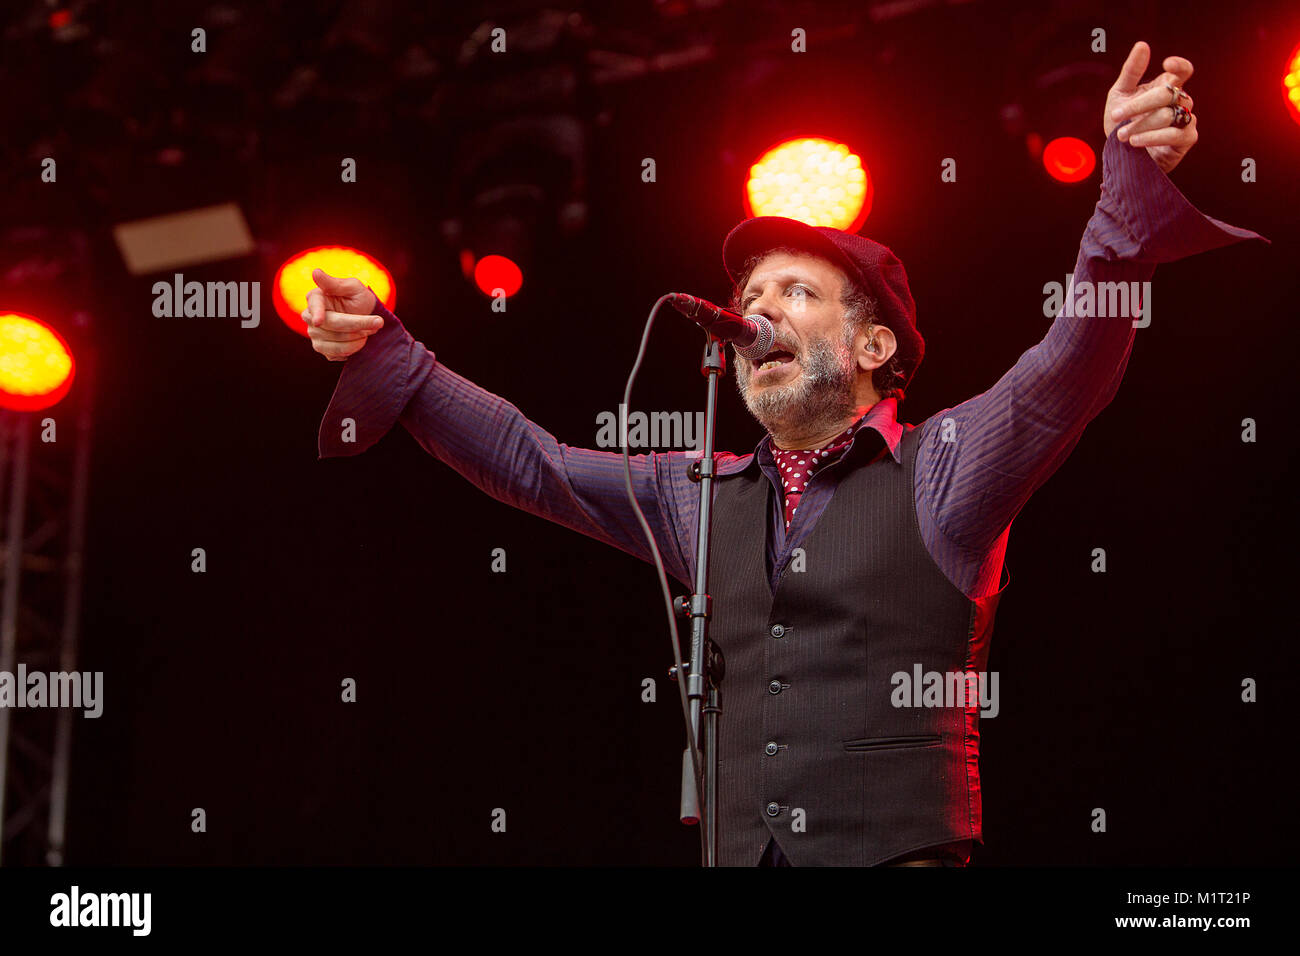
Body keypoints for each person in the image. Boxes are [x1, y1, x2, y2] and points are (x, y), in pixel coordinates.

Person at [304, 42, 1265, 866]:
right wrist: (397, 352)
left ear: (874, 348)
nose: (758, 312)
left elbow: (1071, 367)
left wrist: (1123, 197)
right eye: (752, 298)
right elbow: (532, 460)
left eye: (797, 294)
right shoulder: (696, 495)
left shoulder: (942, 467)